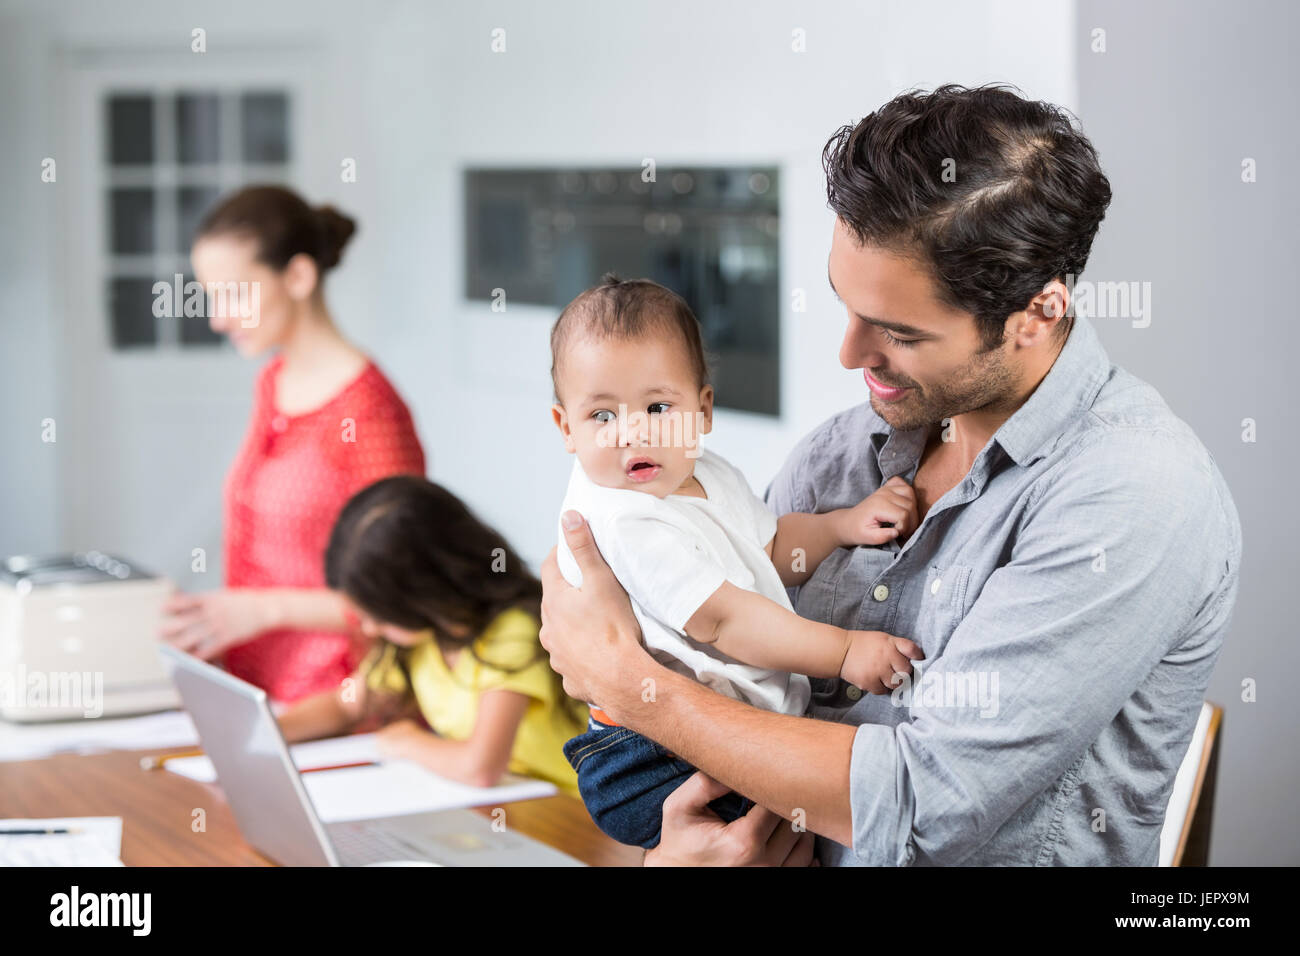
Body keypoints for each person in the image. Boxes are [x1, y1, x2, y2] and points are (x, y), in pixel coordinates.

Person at [536, 84, 1242, 866]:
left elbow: (922, 802)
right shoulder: (841, 453)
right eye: (846, 304)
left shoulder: (1134, 493)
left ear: (1038, 314)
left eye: (899, 332)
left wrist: (633, 686)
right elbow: (729, 659)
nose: (850, 355)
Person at [549, 272, 925, 848]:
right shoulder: (624, 517)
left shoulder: (704, 473)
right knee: (795, 826)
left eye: (657, 406)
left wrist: (843, 524)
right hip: (643, 757)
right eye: (602, 416)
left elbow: (769, 552)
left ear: (702, 410)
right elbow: (722, 620)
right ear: (565, 427)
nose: (632, 432)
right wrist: (843, 651)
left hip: (700, 728)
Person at [160, 186, 426, 703]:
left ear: (299, 277)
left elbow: (404, 598)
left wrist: (258, 610)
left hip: (338, 708)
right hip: (256, 692)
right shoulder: (273, 381)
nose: (218, 318)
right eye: (211, 297)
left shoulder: (369, 413)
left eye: (234, 294)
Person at [277, 476, 587, 796]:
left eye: (379, 615)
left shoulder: (512, 632)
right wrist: (269, 733)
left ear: (426, 593)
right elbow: (346, 705)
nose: (368, 628)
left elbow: (480, 767)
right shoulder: (419, 638)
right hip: (512, 805)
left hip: (573, 816)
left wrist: (408, 740)